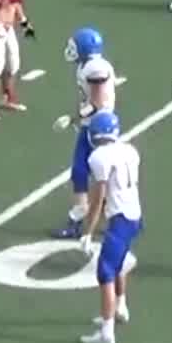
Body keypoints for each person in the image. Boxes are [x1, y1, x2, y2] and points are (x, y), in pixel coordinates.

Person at [78, 110, 141, 343]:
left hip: (120, 219)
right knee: (119, 263)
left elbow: (98, 198)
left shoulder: (99, 157)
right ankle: (120, 307)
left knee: (105, 272)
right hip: (133, 214)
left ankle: (106, 334)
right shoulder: (130, 150)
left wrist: (88, 231)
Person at [53, 27, 116, 239]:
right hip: (90, 123)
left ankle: (99, 216)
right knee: (80, 171)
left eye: (76, 46)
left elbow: (97, 102)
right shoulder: (85, 65)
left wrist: (73, 118)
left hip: (101, 127)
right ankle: (82, 214)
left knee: (100, 173)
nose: (72, 50)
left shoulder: (95, 68)